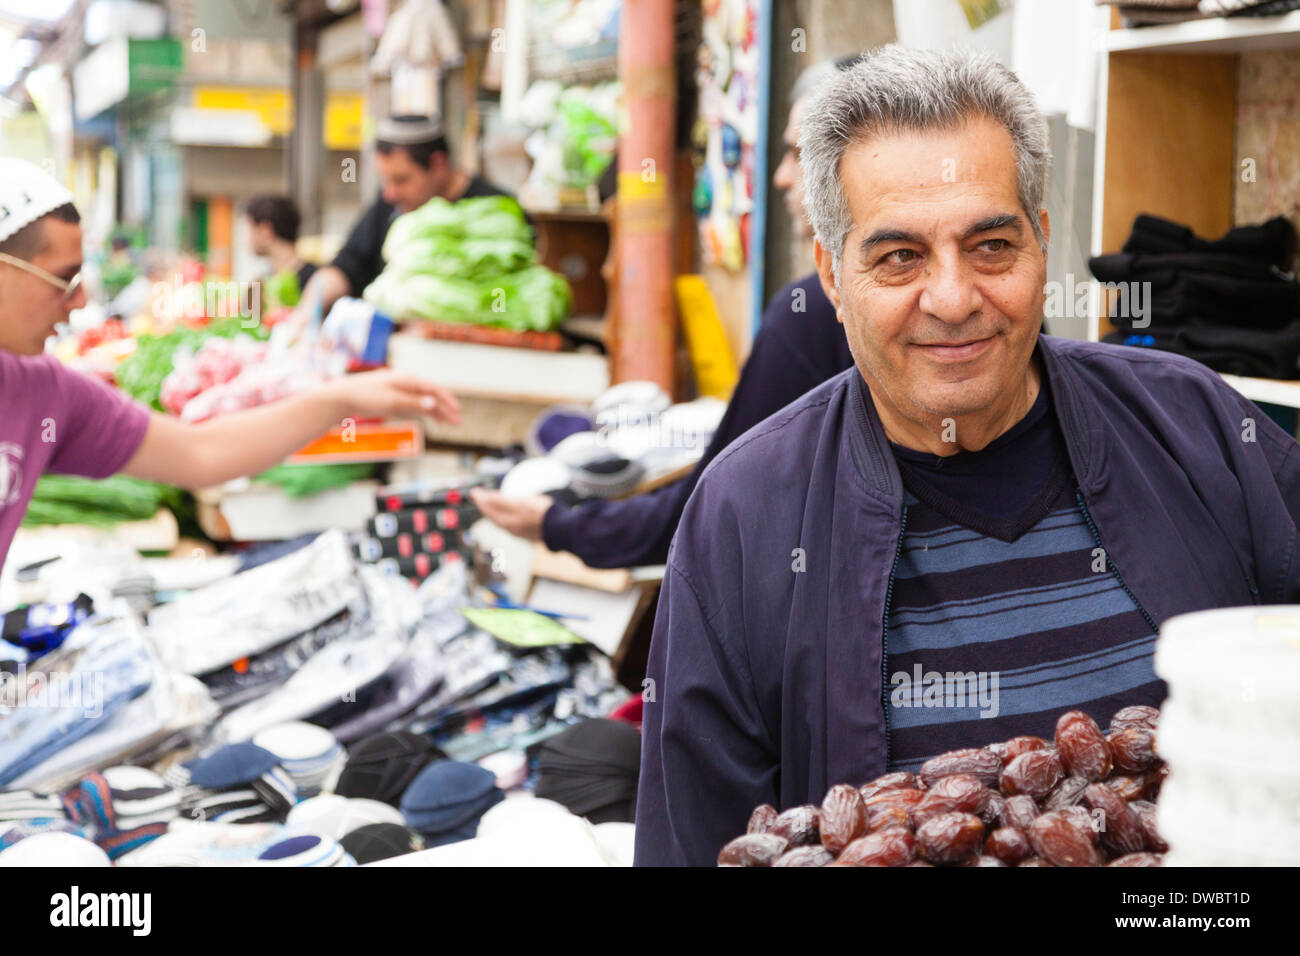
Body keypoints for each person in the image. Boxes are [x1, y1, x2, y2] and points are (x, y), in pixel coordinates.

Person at [634, 47, 1300, 866]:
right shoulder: (744, 519)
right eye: (899, 257)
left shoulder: (1197, 428)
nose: (952, 299)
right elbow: (696, 843)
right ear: (833, 278)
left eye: (990, 245)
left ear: (1041, 244)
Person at [470, 61, 854, 568]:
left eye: (799, 154)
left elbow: (711, 505)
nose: (782, 176)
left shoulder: (815, 312)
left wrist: (559, 525)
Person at [0, 158, 461, 572]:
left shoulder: (48, 393)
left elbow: (200, 453)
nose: (80, 302)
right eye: (63, 280)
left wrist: (340, 399)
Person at [298, 114, 509, 319]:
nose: (389, 193)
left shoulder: (497, 213)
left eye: (401, 180)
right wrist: (308, 310)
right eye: (385, 180)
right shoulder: (389, 205)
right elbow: (347, 267)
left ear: (438, 165)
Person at [245, 195, 316, 295]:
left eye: (250, 230)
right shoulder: (261, 283)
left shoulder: (315, 282)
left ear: (265, 231)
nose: (246, 240)